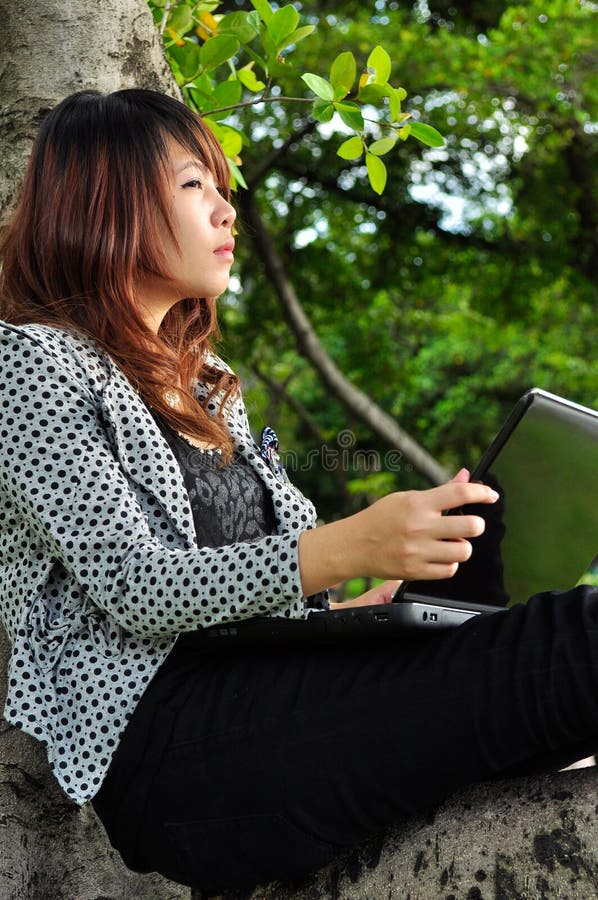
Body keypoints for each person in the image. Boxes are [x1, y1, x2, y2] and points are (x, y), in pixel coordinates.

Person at [0, 89, 596, 892]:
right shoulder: (32, 364)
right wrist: (352, 542)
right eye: (193, 186)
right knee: (575, 638)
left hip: (268, 701)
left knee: (531, 631)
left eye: (221, 187)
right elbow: (137, 586)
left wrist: (359, 611)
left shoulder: (208, 386)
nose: (226, 211)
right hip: (174, 753)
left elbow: (255, 602)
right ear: (105, 203)